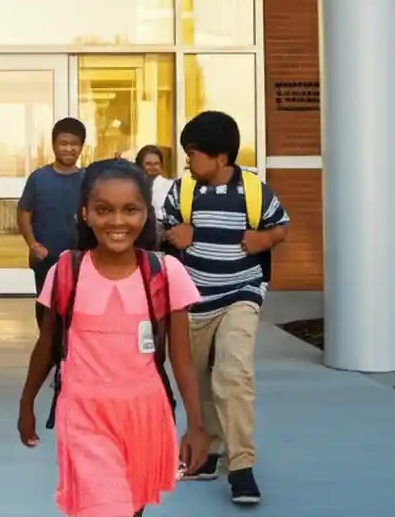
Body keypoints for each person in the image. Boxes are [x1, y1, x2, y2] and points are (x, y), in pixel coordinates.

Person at [17, 159, 209, 517]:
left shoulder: (165, 273)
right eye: (104, 210)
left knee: (130, 509)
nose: (117, 221)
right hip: (83, 414)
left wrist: (197, 425)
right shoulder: (67, 271)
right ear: (85, 213)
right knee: (106, 507)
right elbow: (47, 345)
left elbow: (182, 359)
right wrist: (26, 402)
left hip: (145, 415)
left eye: (130, 210)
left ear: (145, 214)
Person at [159, 110, 289, 505]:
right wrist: (174, 235)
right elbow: (159, 232)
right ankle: (208, 452)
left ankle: (242, 465)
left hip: (241, 293)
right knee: (199, 380)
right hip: (194, 301)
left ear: (220, 157)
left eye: (193, 154)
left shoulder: (254, 191)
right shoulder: (183, 192)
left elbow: (280, 225)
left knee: (233, 374)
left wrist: (266, 240)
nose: (187, 162)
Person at [18, 117, 87, 325]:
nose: (69, 149)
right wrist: (33, 245)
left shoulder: (88, 178)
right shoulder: (38, 178)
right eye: (63, 143)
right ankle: (48, 346)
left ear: (81, 147)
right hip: (46, 259)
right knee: (47, 314)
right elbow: (23, 212)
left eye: (74, 144)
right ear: (54, 145)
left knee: (77, 315)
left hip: (80, 260)